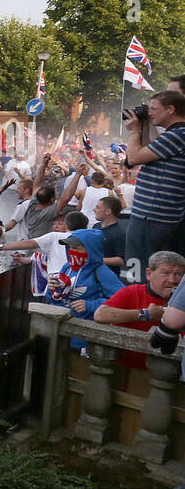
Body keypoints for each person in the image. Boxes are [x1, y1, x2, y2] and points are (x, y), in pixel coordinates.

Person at [122, 91, 185, 272]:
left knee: (137, 269)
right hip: (162, 216)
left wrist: (134, 131)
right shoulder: (175, 136)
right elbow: (154, 146)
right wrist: (147, 123)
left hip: (150, 215)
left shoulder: (177, 135)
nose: (150, 112)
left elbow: (133, 158)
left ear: (171, 109)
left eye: (154, 109)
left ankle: (139, 299)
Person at [93, 250, 185, 369]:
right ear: (149, 274)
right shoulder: (131, 292)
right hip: (129, 369)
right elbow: (100, 315)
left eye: (178, 274)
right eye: (166, 273)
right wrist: (145, 314)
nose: (172, 280)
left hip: (171, 372)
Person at [44, 226, 123, 324]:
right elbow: (53, 299)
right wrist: (51, 289)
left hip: (85, 328)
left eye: (76, 248)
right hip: (60, 324)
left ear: (91, 250)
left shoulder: (101, 271)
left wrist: (91, 305)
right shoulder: (67, 267)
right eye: (70, 248)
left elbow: (122, 299)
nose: (71, 251)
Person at [93, 196, 126, 275]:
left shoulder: (119, 233)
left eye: (98, 207)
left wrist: (99, 260)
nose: (94, 209)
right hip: (92, 275)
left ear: (108, 211)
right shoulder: (96, 227)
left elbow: (121, 260)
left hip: (108, 276)